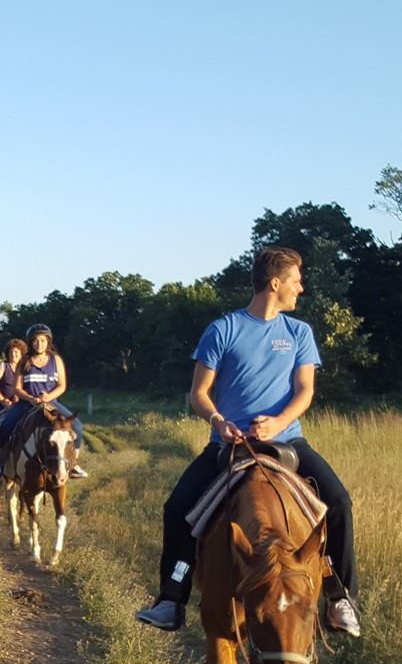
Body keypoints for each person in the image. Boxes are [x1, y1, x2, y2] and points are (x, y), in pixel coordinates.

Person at [133, 246, 361, 636]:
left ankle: (340, 598)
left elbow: (305, 391)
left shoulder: (298, 333)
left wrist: (278, 422)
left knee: (338, 502)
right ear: (275, 283)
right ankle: (171, 598)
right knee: (177, 509)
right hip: (230, 446)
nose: (300, 289)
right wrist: (219, 422)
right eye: (296, 280)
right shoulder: (223, 329)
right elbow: (198, 394)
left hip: (287, 443)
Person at [0, 323, 89, 478]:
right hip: (27, 404)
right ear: (30, 342)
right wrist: (31, 398)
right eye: (35, 341)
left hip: (51, 404)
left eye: (42, 340)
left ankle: (73, 464)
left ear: (48, 342)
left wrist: (47, 397)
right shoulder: (24, 362)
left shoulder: (56, 360)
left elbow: (62, 385)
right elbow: (17, 388)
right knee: (6, 426)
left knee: (77, 427)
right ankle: (0, 463)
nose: (39, 344)